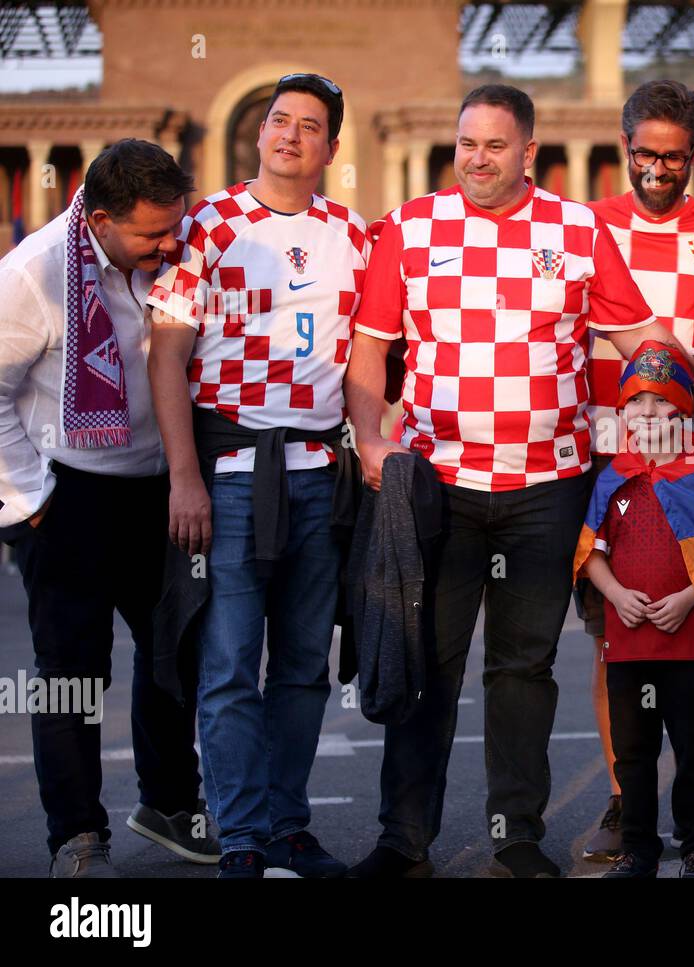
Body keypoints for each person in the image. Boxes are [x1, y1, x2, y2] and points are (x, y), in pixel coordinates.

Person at [344, 83, 694, 879]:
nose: (477, 158)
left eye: (495, 145)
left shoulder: (576, 230)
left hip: (547, 484)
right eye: (467, 143)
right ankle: (403, 840)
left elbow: (642, 335)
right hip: (440, 483)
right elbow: (369, 348)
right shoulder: (411, 228)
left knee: (523, 667)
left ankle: (516, 835)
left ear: (528, 152)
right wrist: (367, 436)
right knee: (429, 661)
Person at [147, 73, 370, 878]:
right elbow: (166, 356)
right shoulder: (207, 224)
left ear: (330, 148)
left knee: (306, 662)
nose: (290, 135)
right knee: (232, 661)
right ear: (260, 131)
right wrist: (183, 476)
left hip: (320, 472)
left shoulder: (353, 232)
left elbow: (373, 357)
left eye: (309, 126)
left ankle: (287, 824)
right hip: (234, 468)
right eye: (280, 120)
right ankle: (239, 833)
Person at [0, 139, 217, 876]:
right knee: (72, 671)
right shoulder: (36, 273)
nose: (168, 244)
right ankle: (76, 835)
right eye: (151, 234)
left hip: (159, 488)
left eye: (174, 226)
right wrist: (32, 503)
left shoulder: (178, 255)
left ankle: (168, 802)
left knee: (174, 655)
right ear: (96, 219)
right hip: (68, 495)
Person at [579, 79, 694, 861]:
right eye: (644, 153)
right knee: (611, 633)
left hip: (693, 453)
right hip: (607, 452)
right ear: (624, 147)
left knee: (688, 636)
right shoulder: (587, 226)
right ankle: (624, 797)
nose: (657, 169)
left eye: (673, 157)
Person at [573, 340, 694, 878]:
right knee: (635, 753)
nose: (648, 415)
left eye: (661, 402)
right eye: (636, 403)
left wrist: (689, 597)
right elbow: (590, 555)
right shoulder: (612, 477)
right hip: (627, 643)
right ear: (621, 412)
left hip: (688, 641)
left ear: (683, 408)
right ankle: (639, 851)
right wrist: (617, 595)